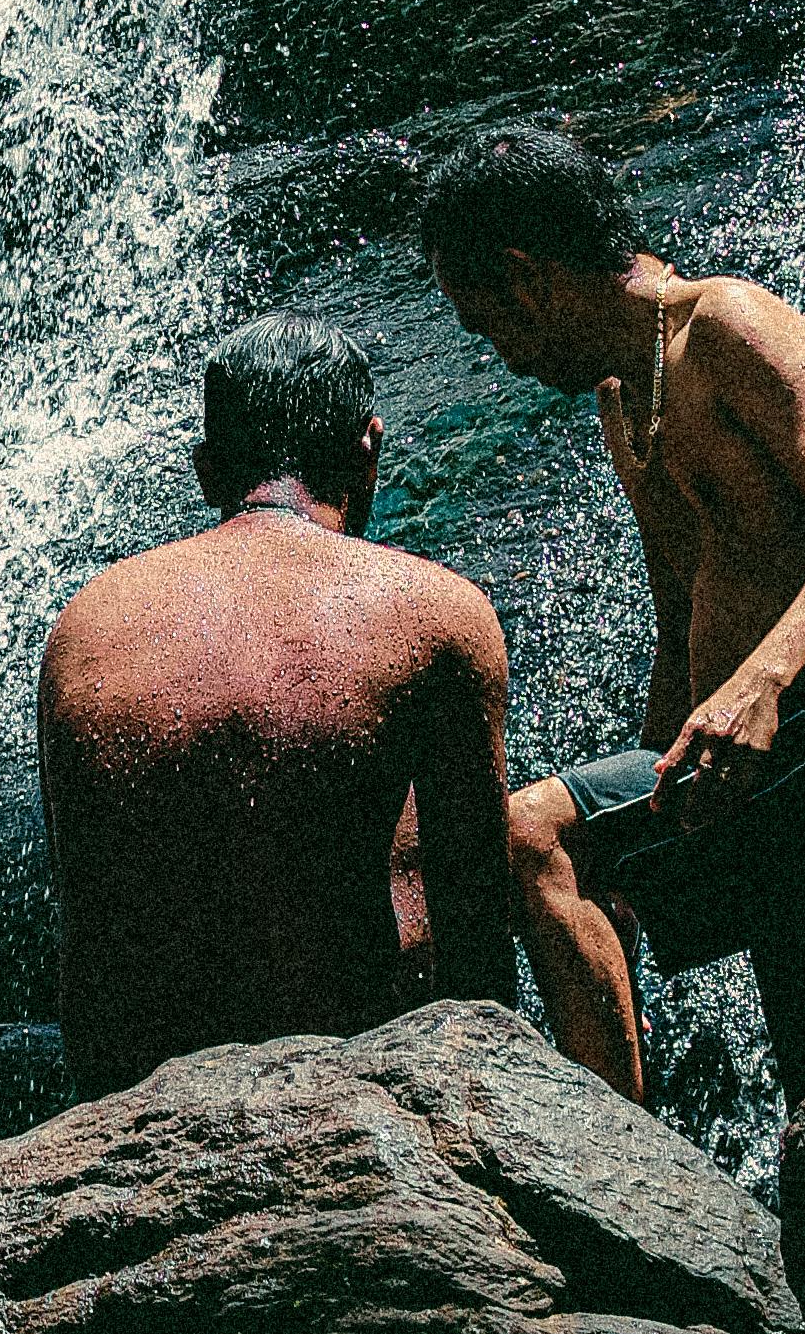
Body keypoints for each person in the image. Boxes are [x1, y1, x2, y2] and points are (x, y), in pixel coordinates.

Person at [421, 129, 805, 1119]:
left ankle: (618, 1180)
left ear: (526, 277)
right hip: (772, 764)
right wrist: (644, 823)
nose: (499, 359)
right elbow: (681, 619)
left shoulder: (725, 322)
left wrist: (758, 689)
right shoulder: (619, 403)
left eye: (487, 326)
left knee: (528, 835)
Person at [36, 315, 516, 1098]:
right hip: (369, 1097)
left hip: (145, 1117)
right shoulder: (435, 614)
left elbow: (86, 940)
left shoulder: (87, 627)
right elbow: (477, 937)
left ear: (204, 471)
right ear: (369, 448)